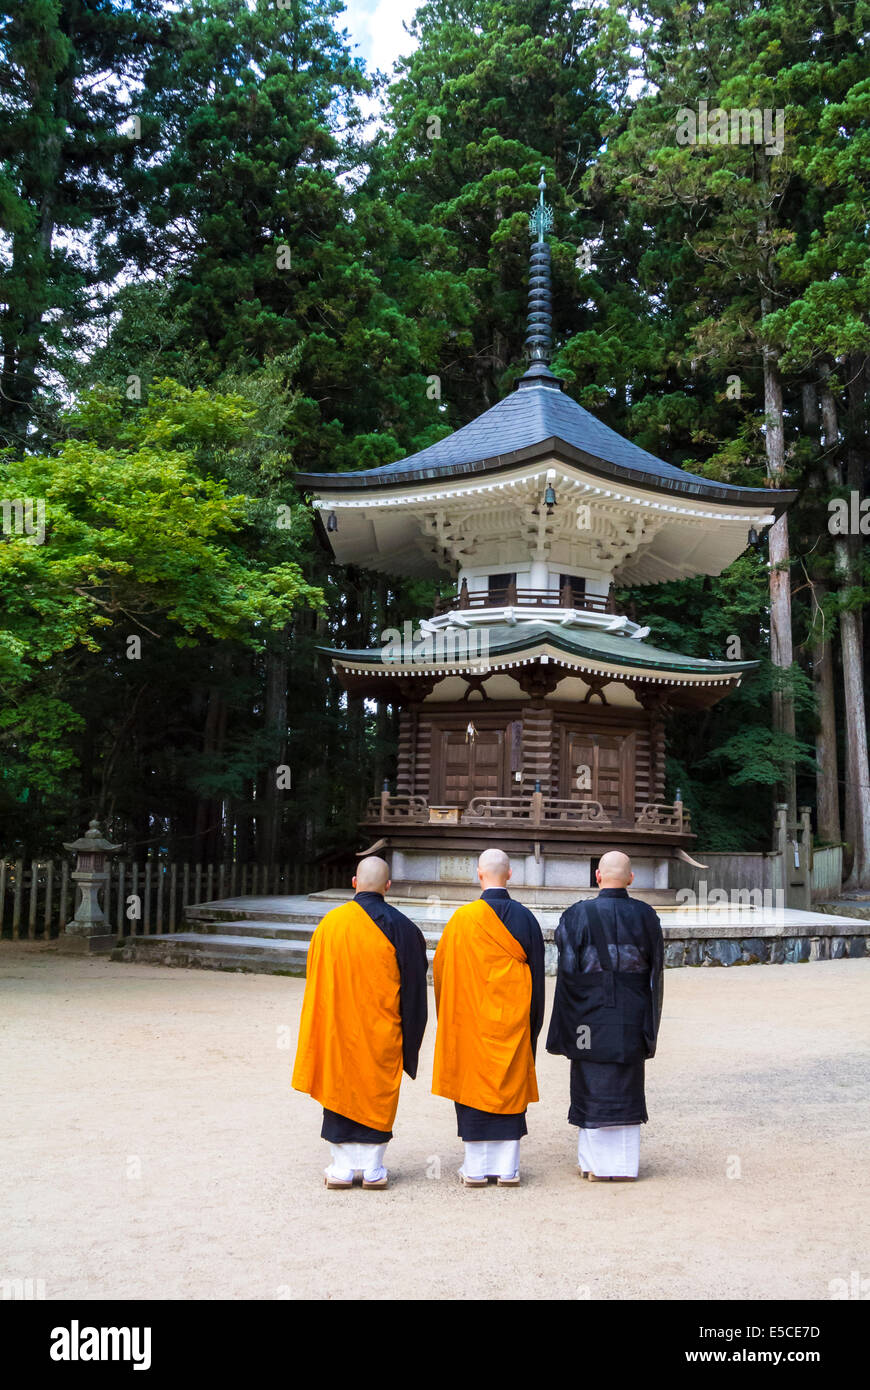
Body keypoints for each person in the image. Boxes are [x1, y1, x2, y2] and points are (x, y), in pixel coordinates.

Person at [292, 855, 428, 1190]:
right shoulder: (405, 929)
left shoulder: (330, 925)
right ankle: (372, 1169)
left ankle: (340, 1168)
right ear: (388, 887)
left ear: (354, 883)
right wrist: (410, 1043)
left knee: (341, 1085)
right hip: (381, 1034)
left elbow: (316, 983)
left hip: (338, 1032)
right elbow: (414, 996)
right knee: (375, 1089)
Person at [546, 850, 664, 1181]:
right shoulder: (646, 916)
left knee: (590, 1078)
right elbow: (656, 974)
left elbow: (568, 973)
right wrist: (650, 1027)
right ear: (631, 879)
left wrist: (565, 1028)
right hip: (631, 1013)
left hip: (587, 1018)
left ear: (597, 877)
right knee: (626, 1079)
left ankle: (594, 1165)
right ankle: (624, 1166)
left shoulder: (576, 916)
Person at [432, 848, 545, 1187]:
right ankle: (507, 1168)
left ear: (478, 874)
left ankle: (476, 1168)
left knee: (473, 1086)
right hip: (512, 1026)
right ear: (509, 874)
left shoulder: (461, 921)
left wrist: (451, 1018)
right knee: (508, 1088)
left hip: (470, 1024)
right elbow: (537, 981)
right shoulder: (526, 919)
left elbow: (441, 974)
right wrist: (532, 1026)